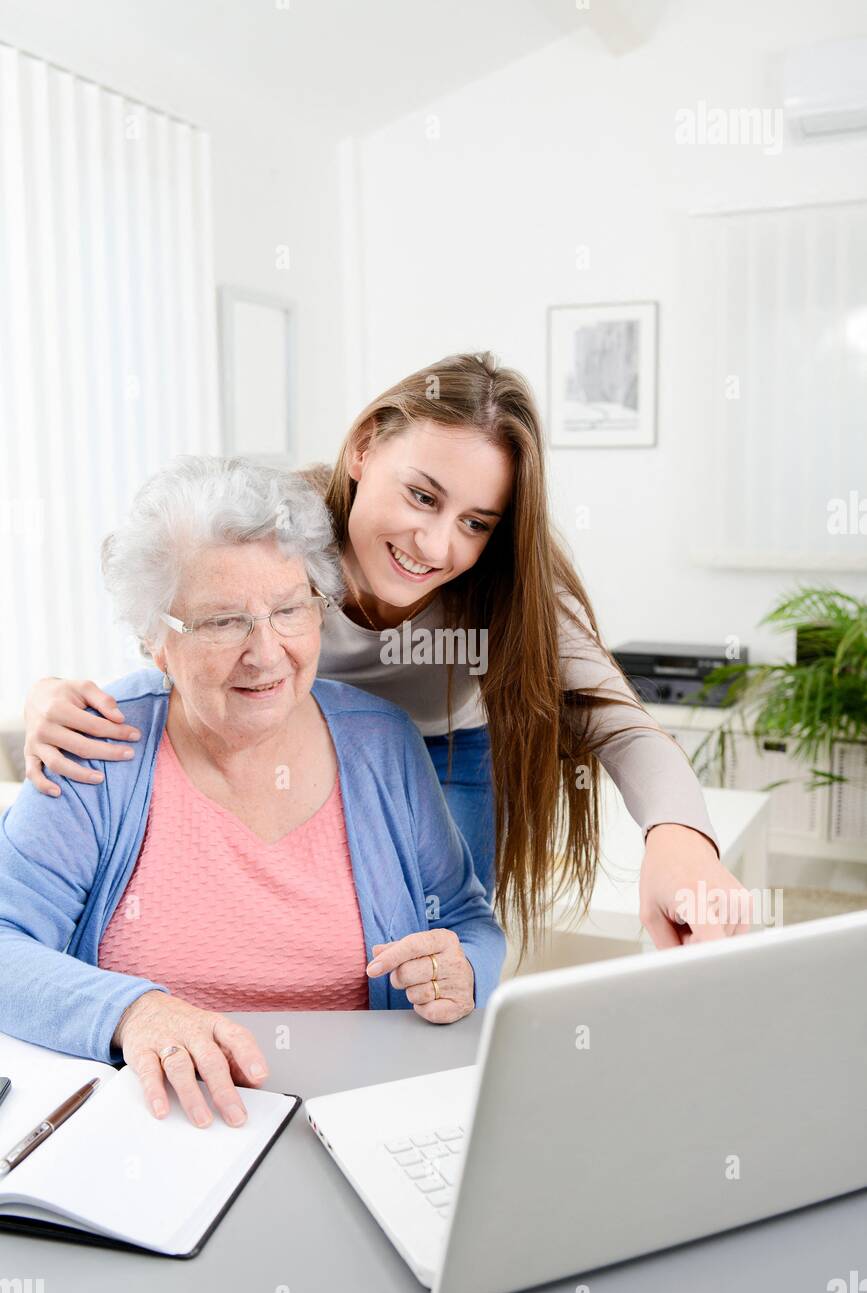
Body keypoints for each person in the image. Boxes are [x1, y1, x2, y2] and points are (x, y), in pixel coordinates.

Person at [22, 351, 751, 958]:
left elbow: (620, 724)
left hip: (450, 753)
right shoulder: (283, 529)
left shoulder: (511, 585)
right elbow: (175, 618)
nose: (435, 545)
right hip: (306, 744)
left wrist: (680, 840)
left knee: (443, 948)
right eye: (422, 497)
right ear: (364, 447)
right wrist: (49, 692)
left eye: (475, 522)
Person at [0, 458, 504, 1128]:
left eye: (290, 610)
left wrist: (464, 968)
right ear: (155, 638)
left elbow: (468, 922)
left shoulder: (383, 742)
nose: (266, 654)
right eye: (221, 621)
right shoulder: (97, 743)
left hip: (357, 1117)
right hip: (161, 1124)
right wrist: (133, 1011)